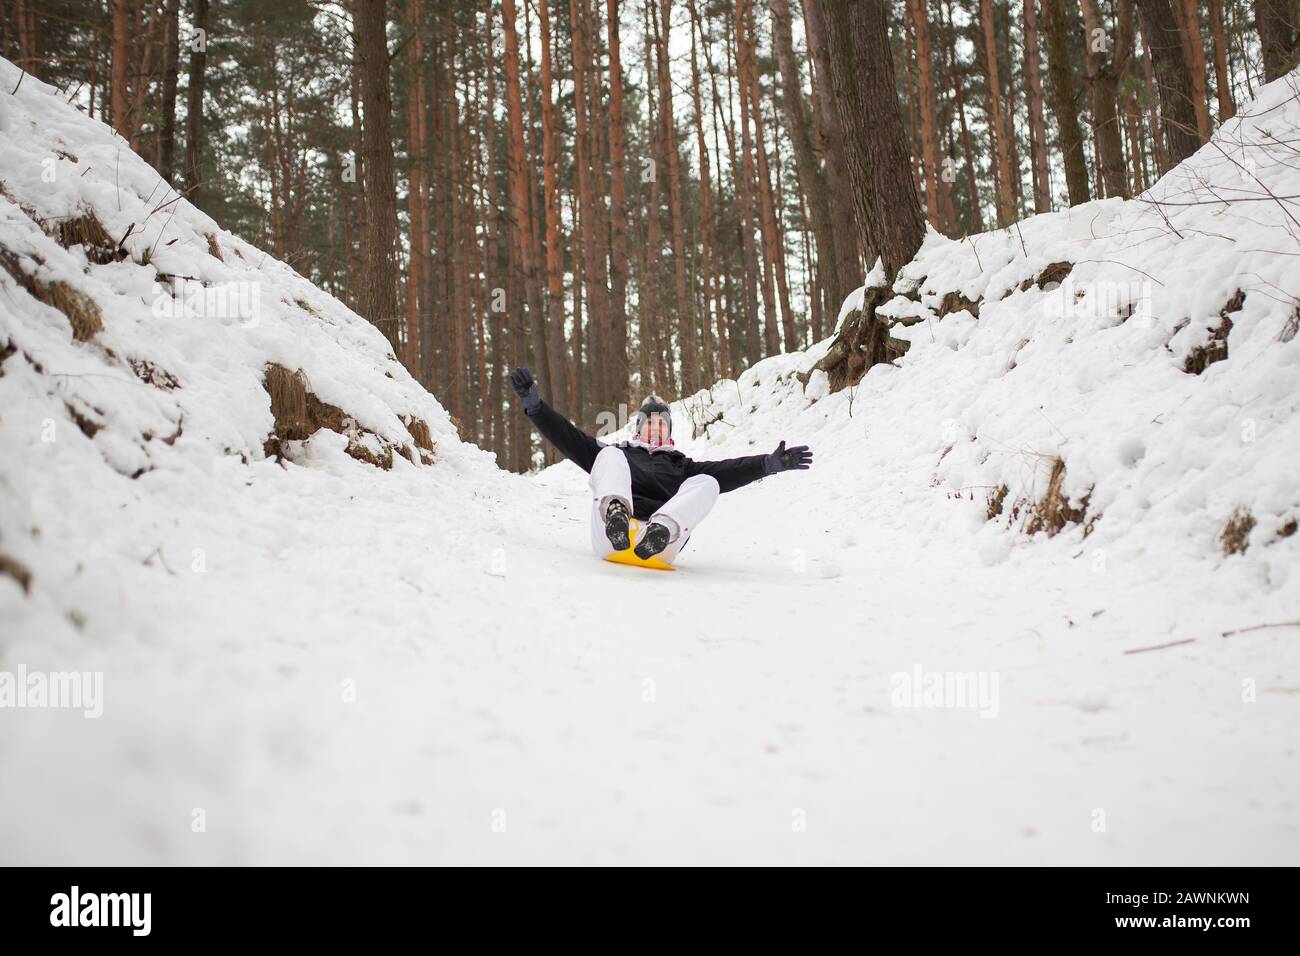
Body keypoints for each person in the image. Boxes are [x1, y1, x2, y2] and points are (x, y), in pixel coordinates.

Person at [508, 367, 812, 564]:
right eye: (648, 423)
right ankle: (617, 515)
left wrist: (768, 464)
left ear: (668, 432)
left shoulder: (682, 466)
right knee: (608, 455)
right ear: (638, 428)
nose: (655, 428)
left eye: (661, 424)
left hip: (661, 546)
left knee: (708, 481)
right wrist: (536, 408)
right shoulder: (621, 453)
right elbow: (568, 437)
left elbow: (729, 470)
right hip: (613, 537)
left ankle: (661, 529)